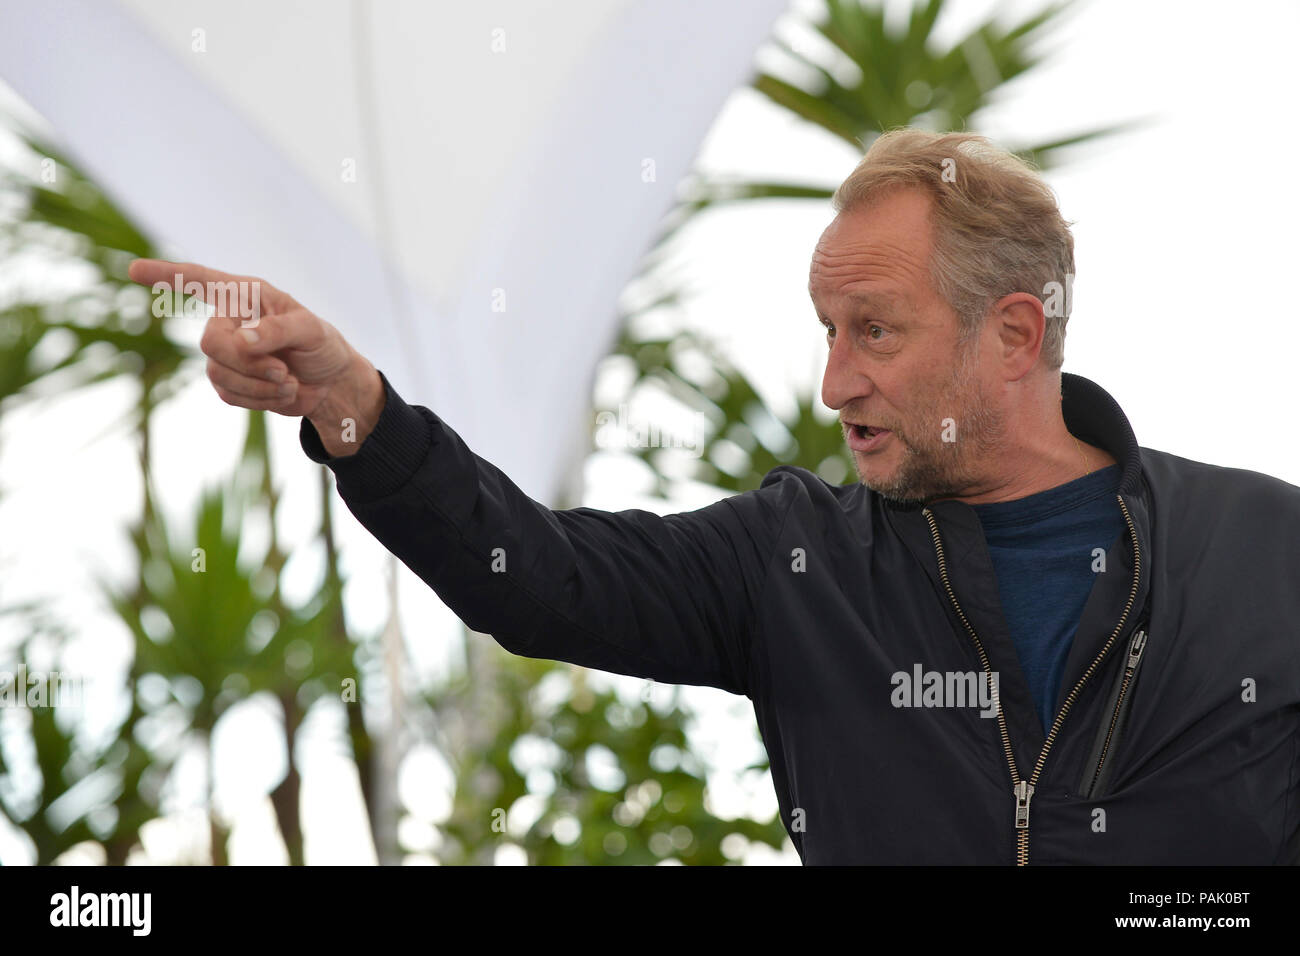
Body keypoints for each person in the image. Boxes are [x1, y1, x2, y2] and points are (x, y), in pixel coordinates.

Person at [128, 129, 1300, 865]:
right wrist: (353, 409)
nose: (835, 380)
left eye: (875, 330)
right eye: (826, 331)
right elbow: (536, 577)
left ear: (1013, 334)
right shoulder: (791, 558)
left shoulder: (1268, 550)